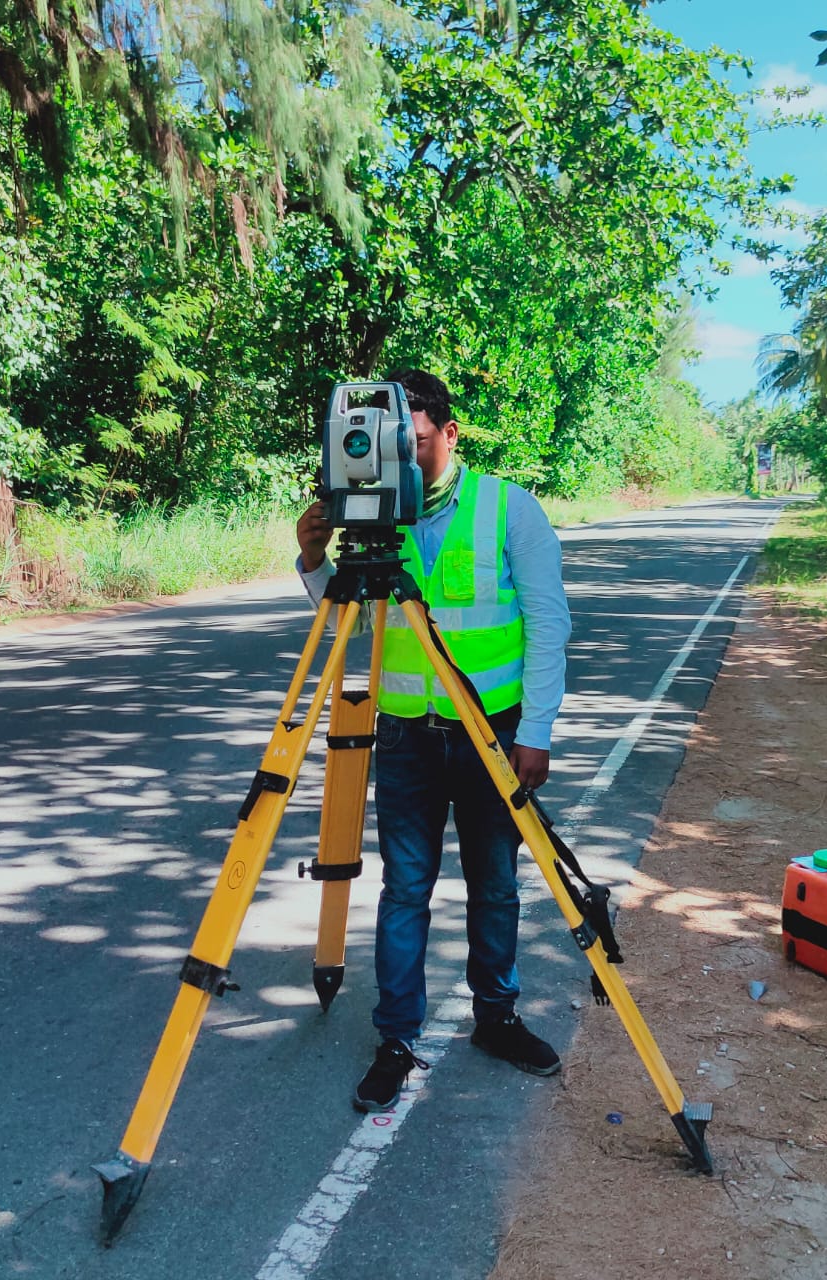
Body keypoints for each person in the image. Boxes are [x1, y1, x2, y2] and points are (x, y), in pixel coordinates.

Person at [295, 368, 572, 1112]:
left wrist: (538, 732)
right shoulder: (374, 516)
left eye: (414, 443)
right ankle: (396, 1038)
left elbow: (549, 622)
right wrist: (316, 560)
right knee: (405, 888)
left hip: (493, 731)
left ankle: (497, 1017)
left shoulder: (509, 509)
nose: (402, 461)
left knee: (496, 883)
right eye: (390, 446)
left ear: (449, 433)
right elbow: (347, 619)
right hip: (406, 734)